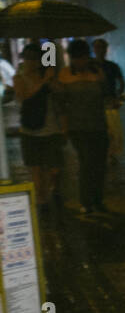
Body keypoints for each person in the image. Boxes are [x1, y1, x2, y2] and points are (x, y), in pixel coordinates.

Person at [52, 39, 110, 217]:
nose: (80, 62)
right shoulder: (64, 75)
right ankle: (86, 201)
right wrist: (64, 128)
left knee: (99, 164)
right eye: (77, 58)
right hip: (77, 127)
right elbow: (60, 103)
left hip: (99, 124)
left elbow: (105, 95)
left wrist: (99, 76)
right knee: (87, 162)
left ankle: (98, 200)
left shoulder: (97, 72)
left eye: (84, 57)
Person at [13, 43, 63, 214]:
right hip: (30, 131)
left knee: (54, 169)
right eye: (28, 58)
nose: (31, 62)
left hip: (51, 130)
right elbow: (24, 97)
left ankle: (51, 191)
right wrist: (43, 82)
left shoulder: (45, 76)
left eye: (34, 58)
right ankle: (42, 201)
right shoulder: (19, 78)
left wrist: (52, 80)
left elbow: (60, 92)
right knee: (36, 170)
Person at [93, 39, 125, 165]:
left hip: (110, 101)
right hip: (95, 103)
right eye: (97, 47)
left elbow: (121, 83)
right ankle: (105, 153)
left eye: (102, 47)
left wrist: (117, 97)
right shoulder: (91, 66)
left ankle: (110, 154)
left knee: (112, 130)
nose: (100, 50)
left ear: (106, 49)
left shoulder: (112, 66)